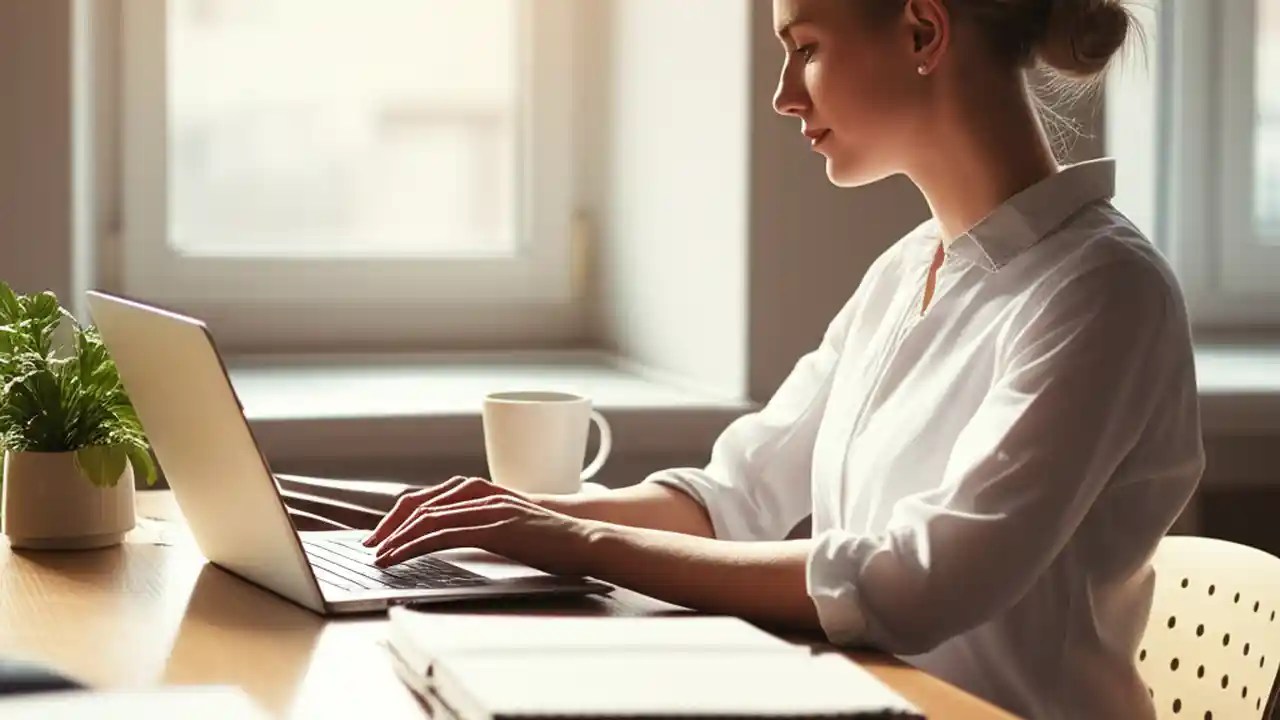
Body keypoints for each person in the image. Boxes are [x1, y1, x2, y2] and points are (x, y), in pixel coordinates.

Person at [359, 1, 1205, 717]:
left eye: (805, 49)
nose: (781, 96)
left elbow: (920, 585)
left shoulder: (1101, 291)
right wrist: (503, 523)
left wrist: (574, 538)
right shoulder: (907, 272)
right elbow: (733, 498)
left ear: (921, 32)